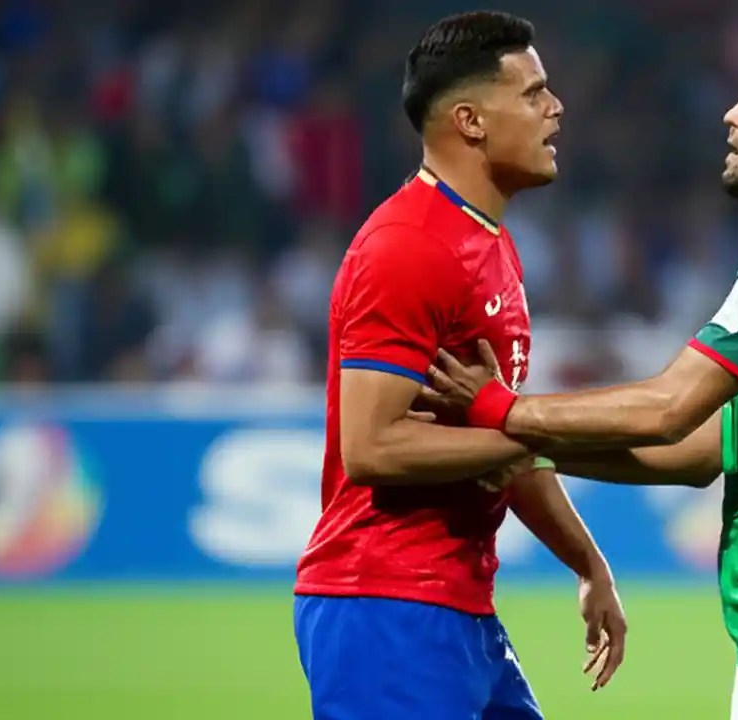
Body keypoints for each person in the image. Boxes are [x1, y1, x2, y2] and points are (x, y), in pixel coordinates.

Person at [428, 39, 738, 720]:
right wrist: (526, 447)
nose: (732, 115)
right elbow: (695, 452)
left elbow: (667, 407)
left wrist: (498, 410)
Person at [293, 12, 625, 720]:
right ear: (471, 120)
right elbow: (373, 445)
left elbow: (500, 443)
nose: (555, 107)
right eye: (533, 93)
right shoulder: (408, 245)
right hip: (385, 608)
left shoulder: (488, 244)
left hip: (458, 609)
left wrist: (588, 563)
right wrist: (535, 433)